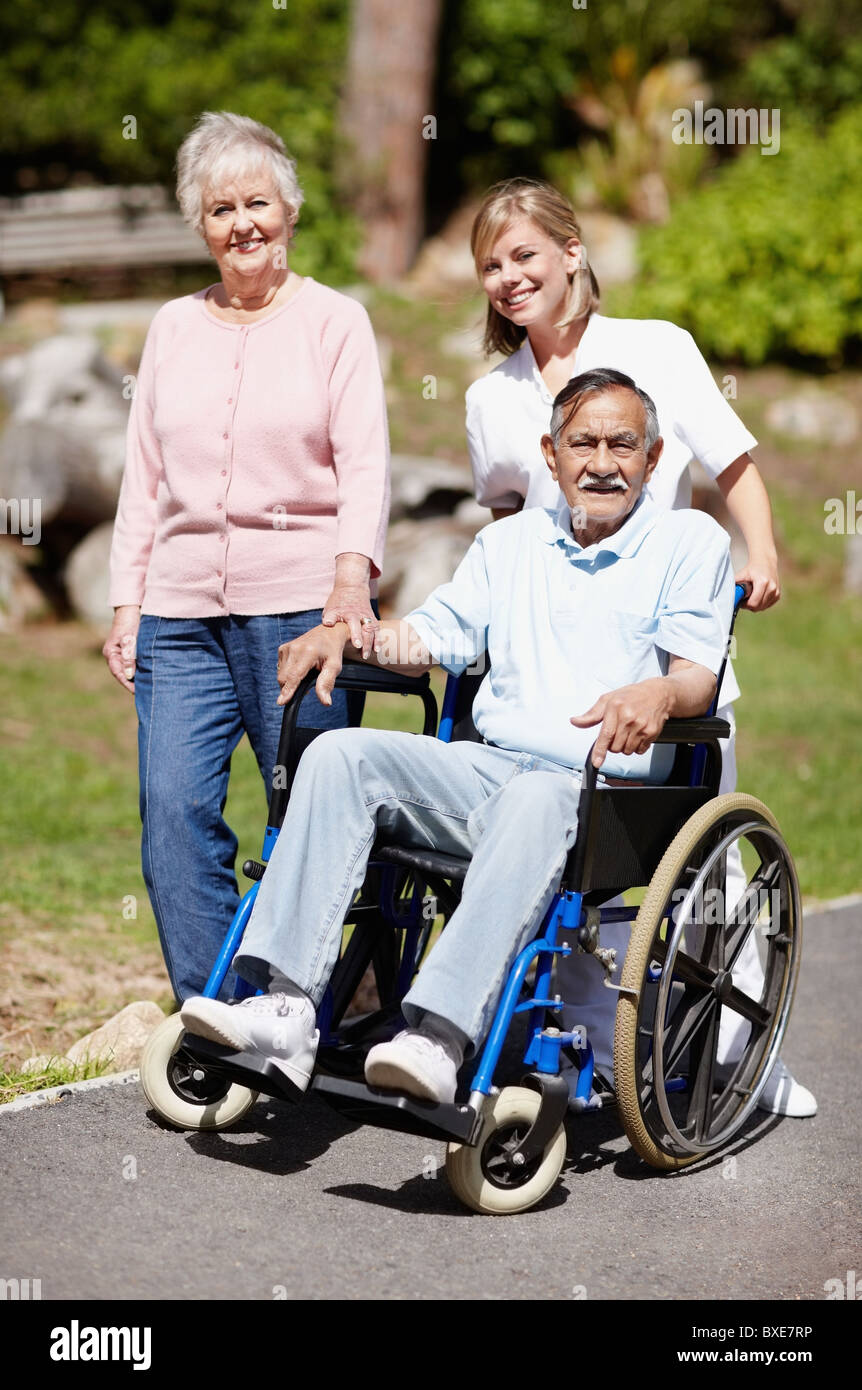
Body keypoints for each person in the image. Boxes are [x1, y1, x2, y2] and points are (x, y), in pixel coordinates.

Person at [179, 370, 736, 1105]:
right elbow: (435, 636)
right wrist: (350, 638)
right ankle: (284, 1009)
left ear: (654, 458)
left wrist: (658, 691)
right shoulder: (507, 545)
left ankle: (437, 1037)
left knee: (539, 797)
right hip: (487, 770)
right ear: (550, 453)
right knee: (342, 754)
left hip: (604, 793)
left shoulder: (690, 541)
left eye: (622, 444)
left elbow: (696, 679)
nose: (602, 462)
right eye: (583, 443)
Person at [464, 178, 814, 1118]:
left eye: (525, 255)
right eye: (492, 265)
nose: (508, 277)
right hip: (552, 676)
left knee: (704, 876)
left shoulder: (655, 349)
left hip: (669, 648)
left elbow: (731, 462)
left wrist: (764, 555)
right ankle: (574, 1042)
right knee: (566, 864)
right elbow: (504, 528)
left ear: (573, 252)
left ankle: (746, 1060)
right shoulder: (491, 400)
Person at [103, 112, 390, 1003]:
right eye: (220, 208)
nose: (242, 223)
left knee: (309, 814)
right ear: (201, 224)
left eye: (256, 201)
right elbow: (143, 477)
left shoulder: (336, 322)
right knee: (174, 817)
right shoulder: (171, 328)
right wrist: (126, 604)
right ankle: (217, 1009)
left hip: (299, 616)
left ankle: (309, 999)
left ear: (291, 209)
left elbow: (366, 464)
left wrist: (350, 588)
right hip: (179, 619)